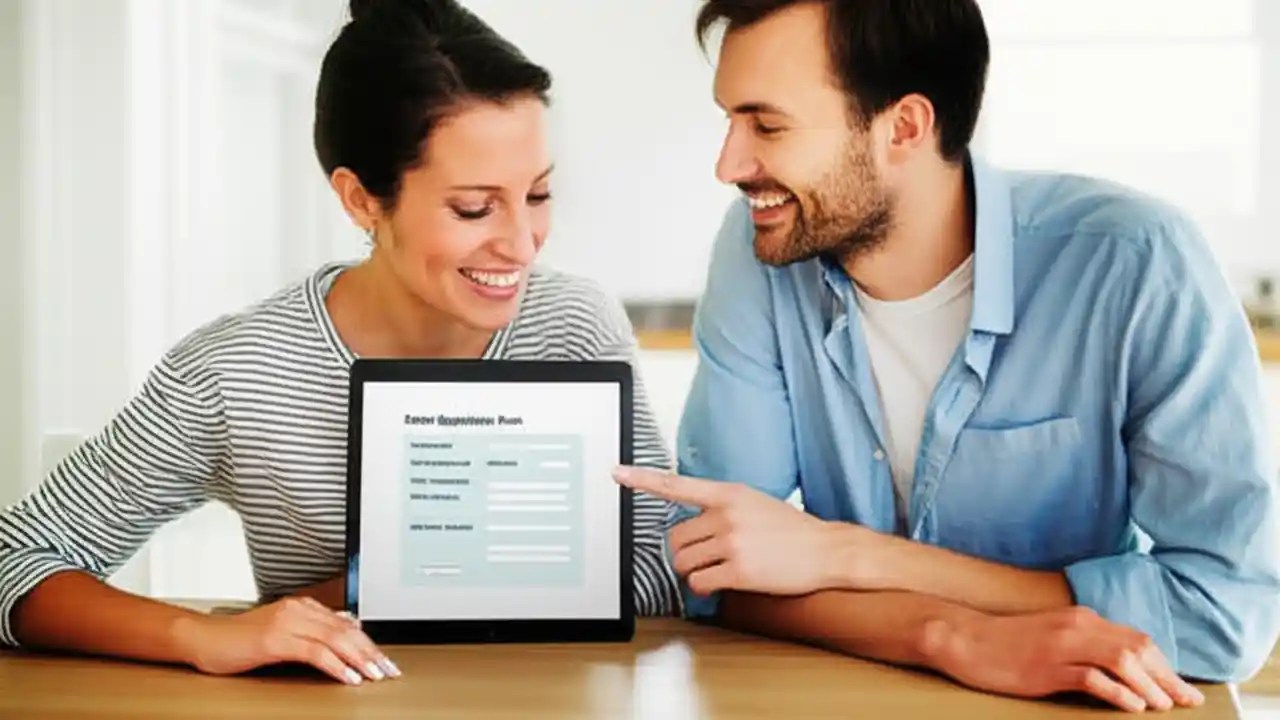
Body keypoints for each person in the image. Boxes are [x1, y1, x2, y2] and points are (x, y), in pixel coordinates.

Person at [614, 0, 1280, 713]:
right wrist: (950, 637)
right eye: (729, 121)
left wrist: (844, 555)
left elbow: (1223, 612)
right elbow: (714, 569)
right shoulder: (763, 249)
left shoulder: (1135, 263)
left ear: (904, 126)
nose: (729, 165)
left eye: (767, 125)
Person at [0, 0, 679, 686]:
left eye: (537, 195)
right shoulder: (237, 371)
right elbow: (15, 561)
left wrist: (370, 591)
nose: (523, 243)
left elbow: (662, 566)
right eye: (473, 207)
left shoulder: (575, 327)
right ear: (359, 200)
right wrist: (204, 635)